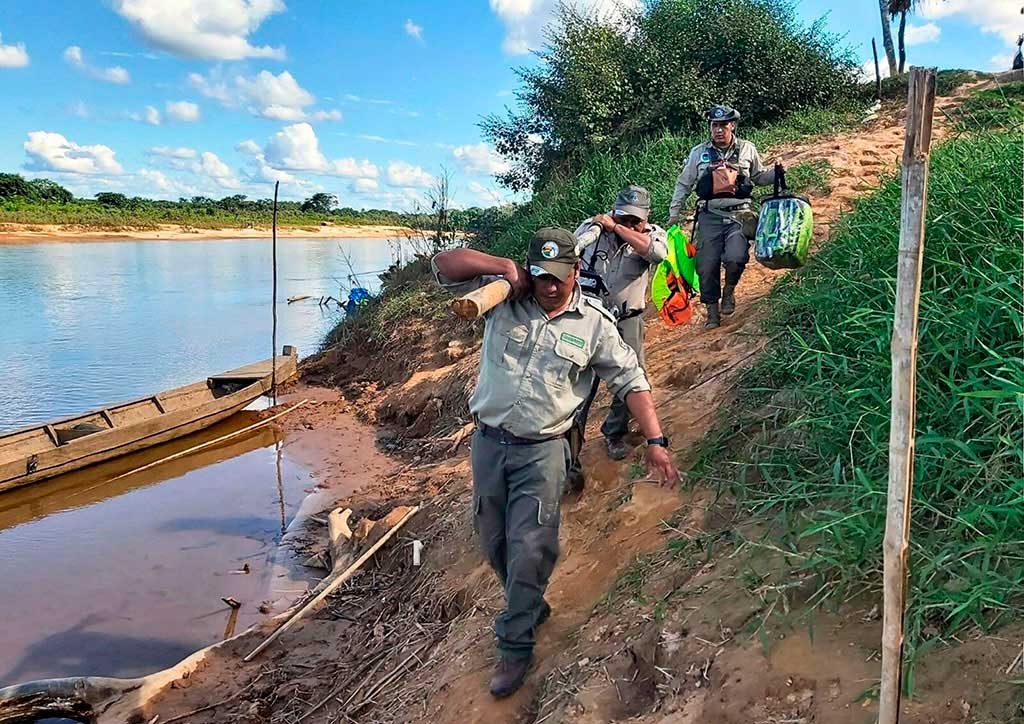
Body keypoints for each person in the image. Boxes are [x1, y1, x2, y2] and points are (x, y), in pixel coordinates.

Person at [432, 229, 680, 698]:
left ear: (578, 272)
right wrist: (500, 267)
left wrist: (655, 440)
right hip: (488, 445)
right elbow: (444, 264)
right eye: (542, 276)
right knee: (494, 542)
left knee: (531, 546)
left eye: (560, 277)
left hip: (542, 452)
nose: (550, 286)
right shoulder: (504, 299)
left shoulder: (594, 324)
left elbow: (633, 381)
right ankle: (530, 603)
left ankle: (515, 644)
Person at [573, 184, 668, 462]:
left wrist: (616, 228)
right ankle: (568, 448)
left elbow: (658, 254)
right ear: (613, 212)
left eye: (634, 220)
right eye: (622, 217)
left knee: (630, 378)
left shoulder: (653, 235)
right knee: (580, 384)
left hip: (627, 320)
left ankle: (614, 433)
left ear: (646, 219)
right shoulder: (593, 229)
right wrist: (599, 228)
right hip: (587, 318)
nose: (629, 224)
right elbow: (571, 253)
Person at [668, 105, 776, 329]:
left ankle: (729, 291)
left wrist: (777, 174)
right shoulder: (699, 152)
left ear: (732, 125)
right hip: (710, 215)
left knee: (736, 257)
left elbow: (758, 176)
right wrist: (674, 212)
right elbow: (684, 182)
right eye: (714, 125)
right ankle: (712, 312)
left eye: (723, 125)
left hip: (740, 214)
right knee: (706, 265)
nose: (718, 130)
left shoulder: (747, 149)